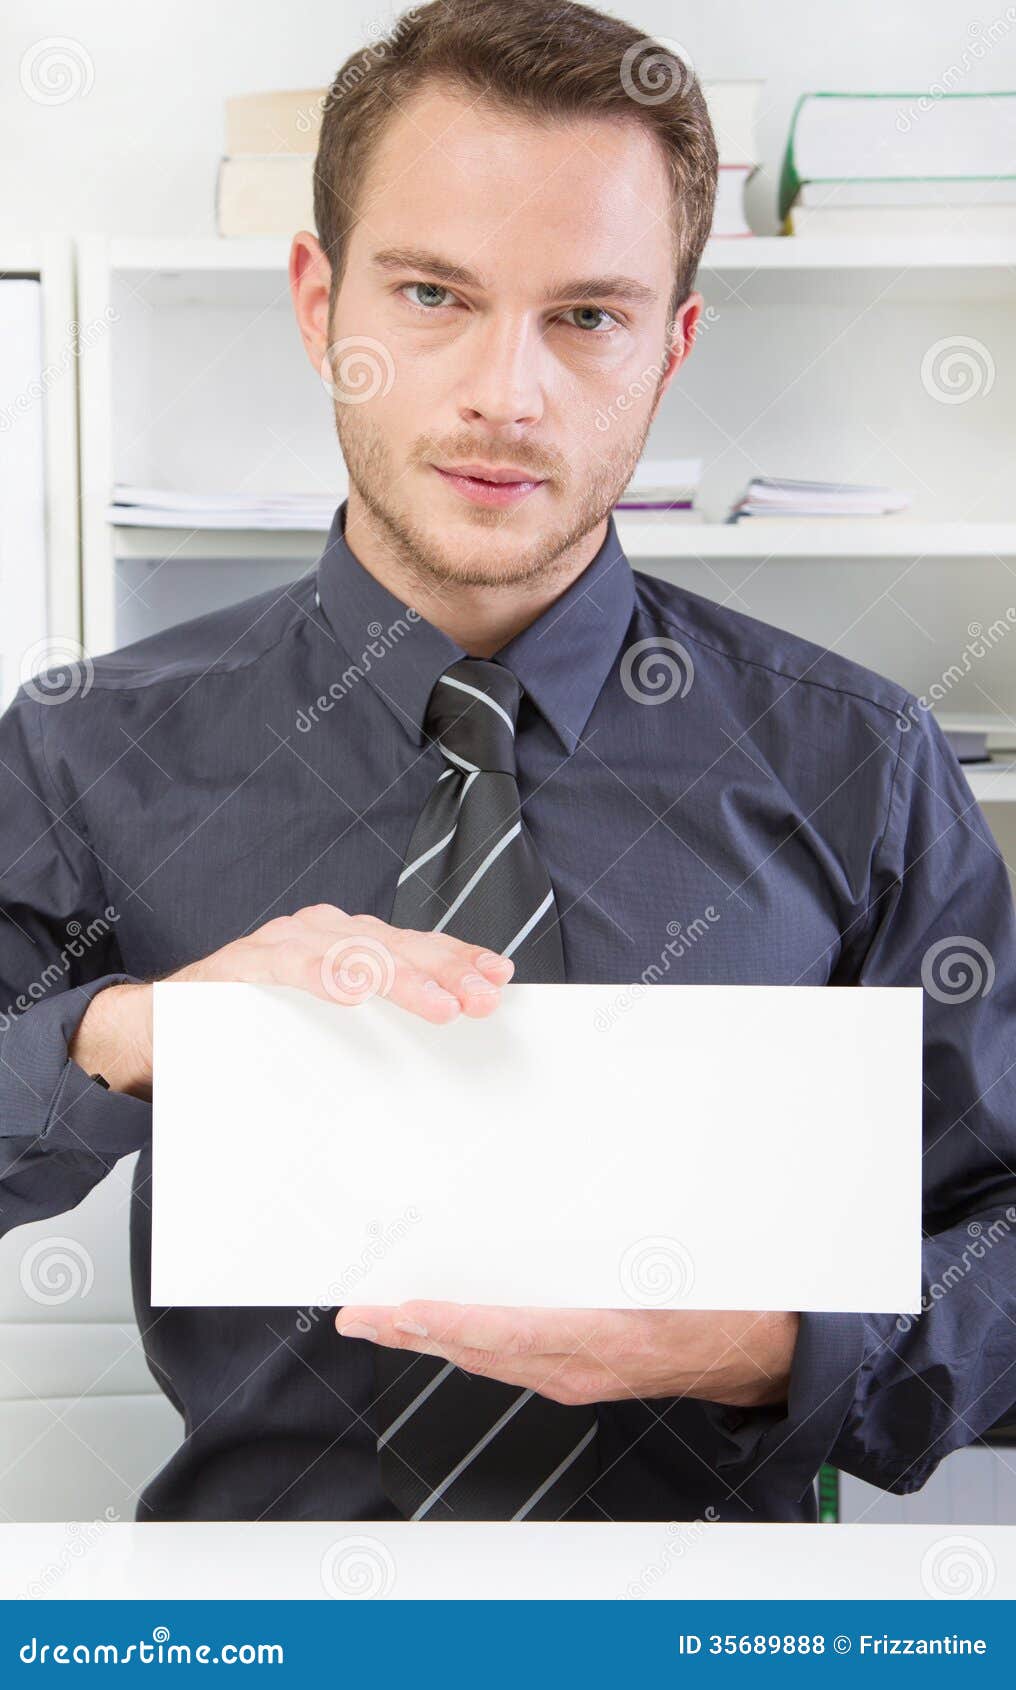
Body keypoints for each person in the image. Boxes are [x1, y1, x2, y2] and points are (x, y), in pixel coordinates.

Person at [1, 0, 1014, 1524]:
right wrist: (127, 1033)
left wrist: (782, 1345)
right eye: (431, 294)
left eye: (588, 315)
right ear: (317, 301)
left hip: (724, 1631)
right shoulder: (89, 742)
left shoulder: (856, 758)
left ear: (673, 344)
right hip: (263, 1620)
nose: (506, 393)